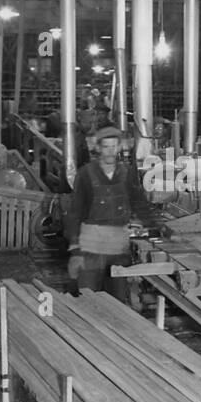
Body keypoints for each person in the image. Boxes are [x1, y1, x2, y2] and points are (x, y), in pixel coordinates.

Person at [64, 125, 155, 298]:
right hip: (91, 247)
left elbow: (138, 203)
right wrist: (75, 248)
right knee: (88, 297)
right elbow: (74, 212)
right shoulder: (85, 174)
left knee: (118, 299)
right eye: (106, 147)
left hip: (117, 247)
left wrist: (160, 228)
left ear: (120, 147)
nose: (110, 152)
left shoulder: (126, 173)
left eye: (114, 146)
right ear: (98, 148)